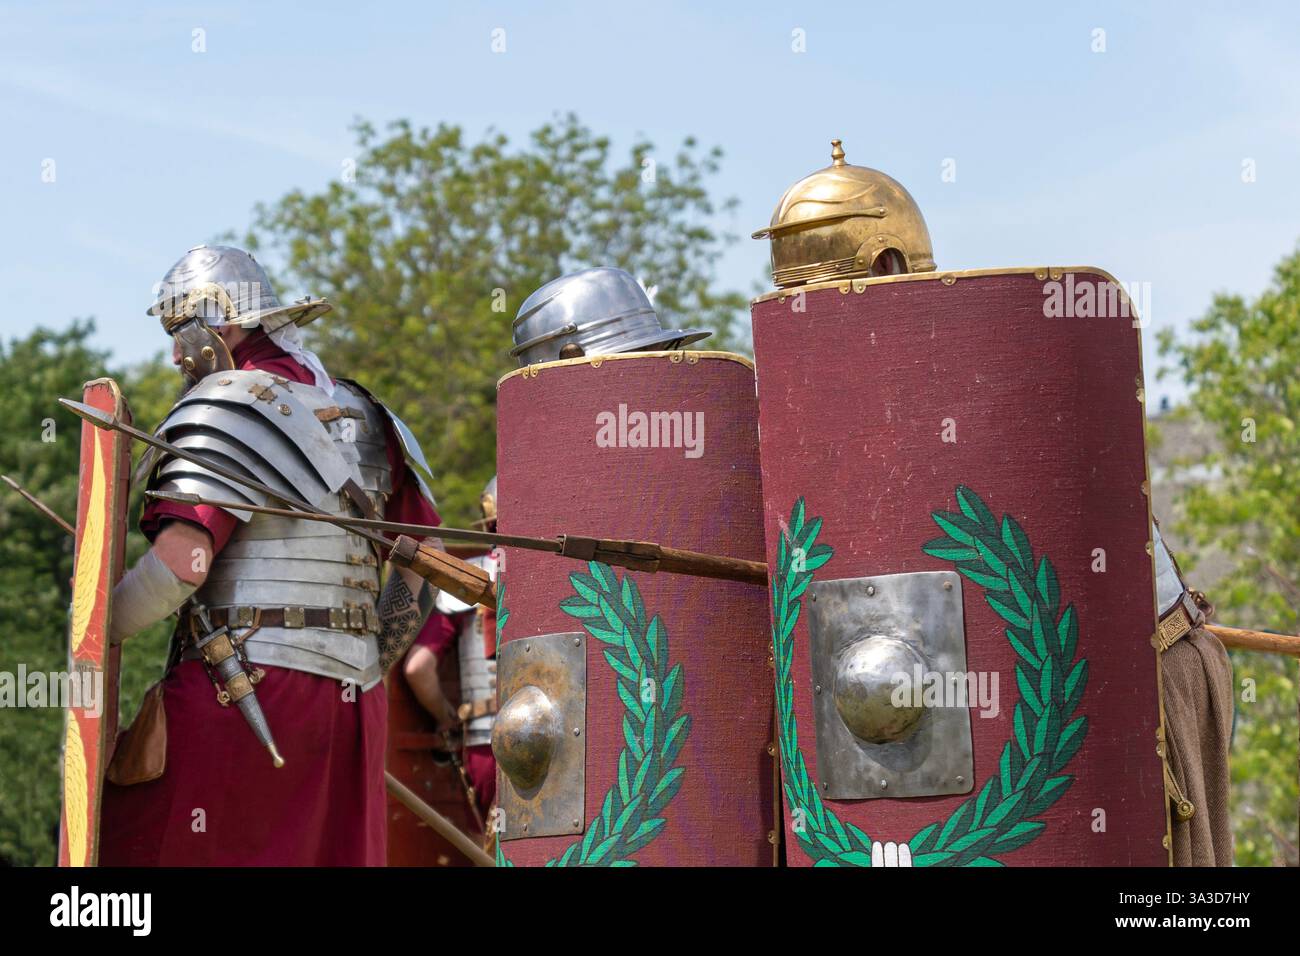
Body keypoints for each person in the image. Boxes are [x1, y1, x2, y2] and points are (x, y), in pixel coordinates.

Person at [99, 244, 443, 866]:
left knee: (137, 846)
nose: (176, 354)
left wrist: (98, 629)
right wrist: (364, 659)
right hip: (355, 702)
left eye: (180, 330)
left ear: (220, 321)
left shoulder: (224, 404)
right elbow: (426, 562)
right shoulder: (371, 414)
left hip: (247, 685)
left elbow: (184, 564)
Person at [403, 477, 501, 819]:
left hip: (488, 743)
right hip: (567, 735)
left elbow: (417, 668)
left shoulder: (466, 577)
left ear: (489, 523)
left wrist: (447, 716)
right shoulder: (564, 574)